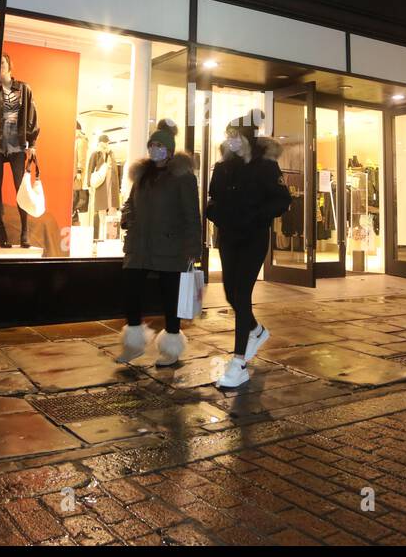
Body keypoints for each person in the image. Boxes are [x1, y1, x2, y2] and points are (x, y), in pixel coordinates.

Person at [205, 108, 291, 388]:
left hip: (253, 237)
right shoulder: (222, 165)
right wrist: (215, 213)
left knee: (242, 294)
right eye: (228, 136)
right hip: (228, 237)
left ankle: (238, 362)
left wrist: (254, 214)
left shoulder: (265, 166)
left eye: (235, 135)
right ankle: (256, 330)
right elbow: (212, 199)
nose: (231, 141)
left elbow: (282, 201)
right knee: (231, 294)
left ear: (247, 138)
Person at [116, 120, 203, 367]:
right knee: (131, 293)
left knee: (170, 298)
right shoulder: (142, 175)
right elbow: (130, 203)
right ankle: (133, 344)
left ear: (169, 149)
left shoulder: (182, 177)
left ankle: (171, 347)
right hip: (140, 244)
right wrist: (128, 218)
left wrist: (192, 248)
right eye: (151, 145)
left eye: (160, 145)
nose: (155, 149)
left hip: (170, 247)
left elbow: (191, 214)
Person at [0, 53, 40, 248]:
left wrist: (32, 143)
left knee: (20, 187)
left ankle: (24, 231)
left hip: (16, 144)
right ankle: (2, 231)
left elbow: (31, 117)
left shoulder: (23, 88)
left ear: (9, 64)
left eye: (2, 63)